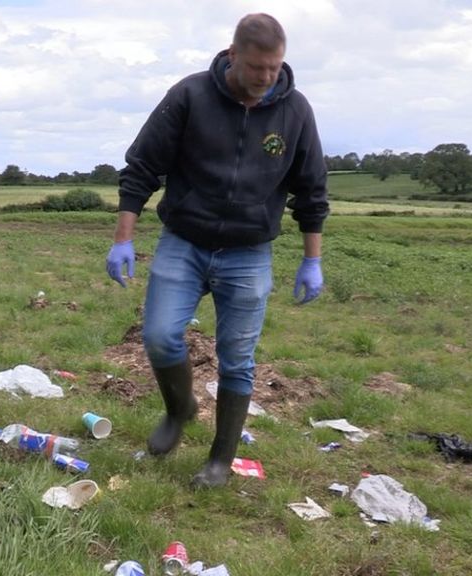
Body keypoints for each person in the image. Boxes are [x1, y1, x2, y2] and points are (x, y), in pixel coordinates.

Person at [105, 13, 329, 488]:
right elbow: (142, 167)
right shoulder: (190, 96)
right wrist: (123, 239)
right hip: (183, 242)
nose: (266, 78)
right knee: (160, 335)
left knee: (238, 359)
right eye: (255, 68)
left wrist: (312, 259)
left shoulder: (295, 112)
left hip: (249, 253)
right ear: (233, 56)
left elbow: (312, 190)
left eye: (274, 68)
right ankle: (179, 409)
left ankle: (220, 460)